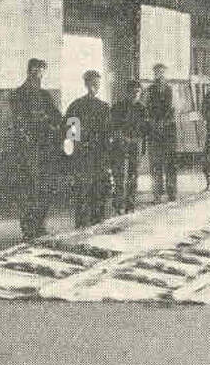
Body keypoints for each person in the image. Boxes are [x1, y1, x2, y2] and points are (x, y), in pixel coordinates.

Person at [9, 57, 62, 240]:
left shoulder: (45, 96)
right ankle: (28, 228)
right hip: (27, 149)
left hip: (45, 148)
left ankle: (39, 225)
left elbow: (57, 118)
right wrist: (43, 123)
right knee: (28, 189)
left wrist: (52, 125)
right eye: (36, 71)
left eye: (41, 72)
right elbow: (21, 122)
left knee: (45, 188)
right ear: (29, 71)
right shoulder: (17, 95)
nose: (39, 75)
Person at [64, 70, 112, 228]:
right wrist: (72, 160)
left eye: (97, 84)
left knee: (99, 195)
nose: (95, 87)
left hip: (100, 157)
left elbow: (108, 135)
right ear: (85, 84)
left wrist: (107, 159)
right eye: (92, 84)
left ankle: (98, 228)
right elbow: (71, 136)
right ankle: (81, 229)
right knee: (82, 196)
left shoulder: (104, 107)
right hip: (82, 157)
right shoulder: (76, 106)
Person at [109, 78, 147, 214]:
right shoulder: (117, 107)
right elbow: (113, 126)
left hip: (135, 145)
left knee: (133, 175)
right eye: (132, 92)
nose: (135, 94)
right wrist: (122, 137)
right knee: (119, 176)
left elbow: (145, 129)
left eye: (138, 92)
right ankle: (118, 204)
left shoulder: (142, 109)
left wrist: (140, 144)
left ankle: (130, 204)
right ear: (127, 92)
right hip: (120, 144)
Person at [144, 62, 178, 203]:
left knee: (170, 162)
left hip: (168, 130)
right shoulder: (149, 91)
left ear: (165, 74)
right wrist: (152, 123)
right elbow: (145, 109)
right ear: (154, 74)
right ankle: (157, 194)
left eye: (162, 73)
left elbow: (174, 110)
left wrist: (164, 122)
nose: (159, 75)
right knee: (155, 163)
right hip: (154, 131)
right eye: (157, 73)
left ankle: (171, 192)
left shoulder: (171, 90)